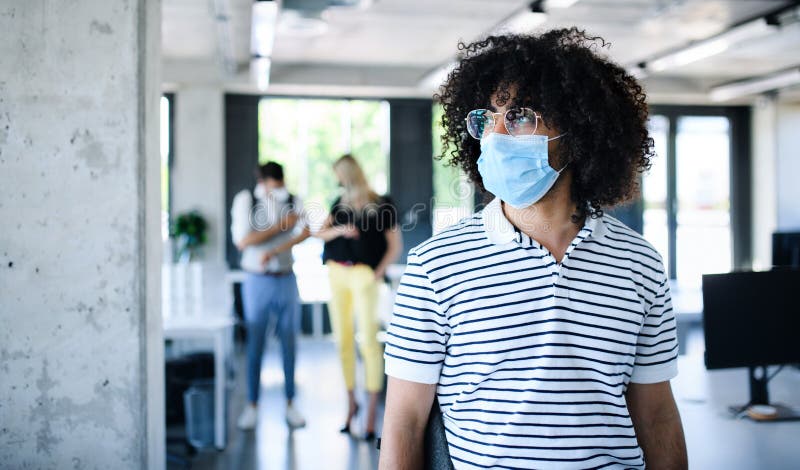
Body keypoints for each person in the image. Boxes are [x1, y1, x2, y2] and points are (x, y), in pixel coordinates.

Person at [380, 29, 688, 469]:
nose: (497, 131)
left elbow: (657, 417)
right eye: (487, 117)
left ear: (577, 130)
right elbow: (404, 423)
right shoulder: (436, 265)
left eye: (521, 115)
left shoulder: (640, 265)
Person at [316, 154, 402, 441]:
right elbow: (320, 234)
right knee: (342, 340)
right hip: (336, 274)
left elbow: (395, 246)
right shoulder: (339, 204)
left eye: (339, 174)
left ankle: (372, 415)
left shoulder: (381, 203)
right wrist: (340, 229)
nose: (337, 180)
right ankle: (351, 404)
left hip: (364, 275)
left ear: (348, 173)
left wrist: (377, 274)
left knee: (369, 341)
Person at [231, 161, 310, 430]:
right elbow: (242, 241)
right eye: (272, 187)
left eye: (280, 187)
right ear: (262, 182)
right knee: (255, 345)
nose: (277, 192)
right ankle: (252, 405)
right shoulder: (246, 201)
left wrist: (276, 248)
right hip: (256, 281)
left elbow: (306, 231)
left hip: (286, 278)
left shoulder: (293, 199)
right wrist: (280, 227)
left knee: (290, 343)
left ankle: (291, 403)